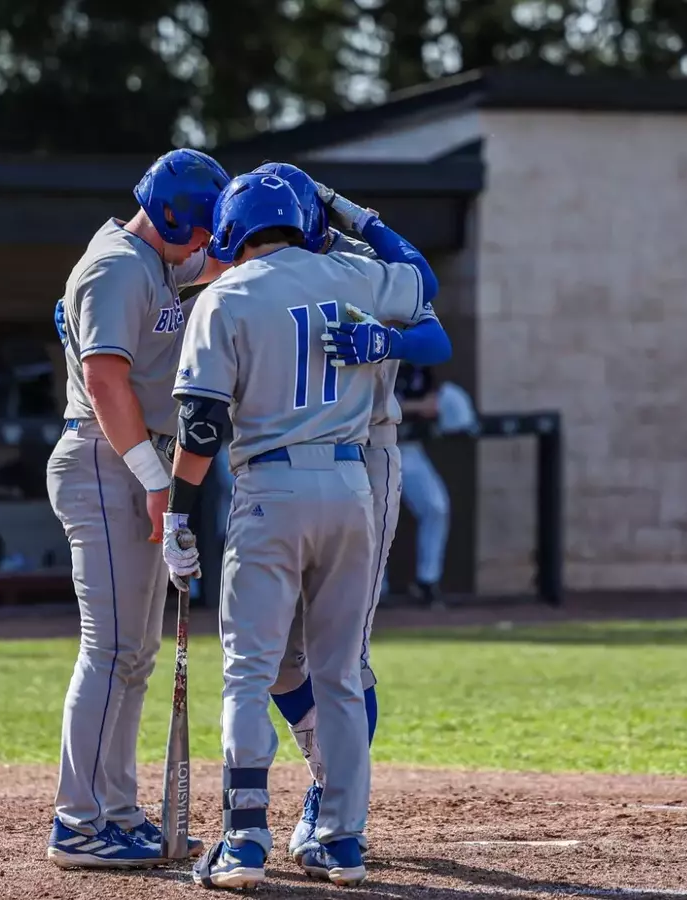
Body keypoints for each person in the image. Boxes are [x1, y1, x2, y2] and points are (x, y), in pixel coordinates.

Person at [164, 171, 439, 890]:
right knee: (341, 673)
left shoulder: (222, 296)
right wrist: (359, 212)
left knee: (249, 671)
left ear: (233, 233)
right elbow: (420, 276)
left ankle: (245, 838)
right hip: (353, 484)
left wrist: (178, 515)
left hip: (271, 488)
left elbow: (201, 426)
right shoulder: (352, 273)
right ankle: (341, 842)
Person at [248, 162, 453, 861]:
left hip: (368, 453)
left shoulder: (363, 263)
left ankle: (331, 806)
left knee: (342, 654)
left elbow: (435, 330)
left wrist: (387, 339)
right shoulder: (264, 268)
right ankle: (330, 778)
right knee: (274, 658)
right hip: (281, 465)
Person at [44, 148, 227, 870]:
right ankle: (78, 821)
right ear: (176, 217)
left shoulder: (158, 260)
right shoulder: (117, 266)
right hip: (105, 456)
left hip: (129, 458)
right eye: (204, 228)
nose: (208, 243)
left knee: (135, 654)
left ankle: (115, 811)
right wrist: (159, 481)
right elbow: (105, 380)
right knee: (111, 648)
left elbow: (219, 271)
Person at [393, 362, 452, 608]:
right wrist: (415, 406)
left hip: (408, 448)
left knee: (436, 507)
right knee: (370, 517)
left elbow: (433, 400)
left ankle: (427, 582)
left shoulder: (419, 365)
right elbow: (373, 404)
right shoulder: (370, 345)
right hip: (368, 447)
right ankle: (375, 589)